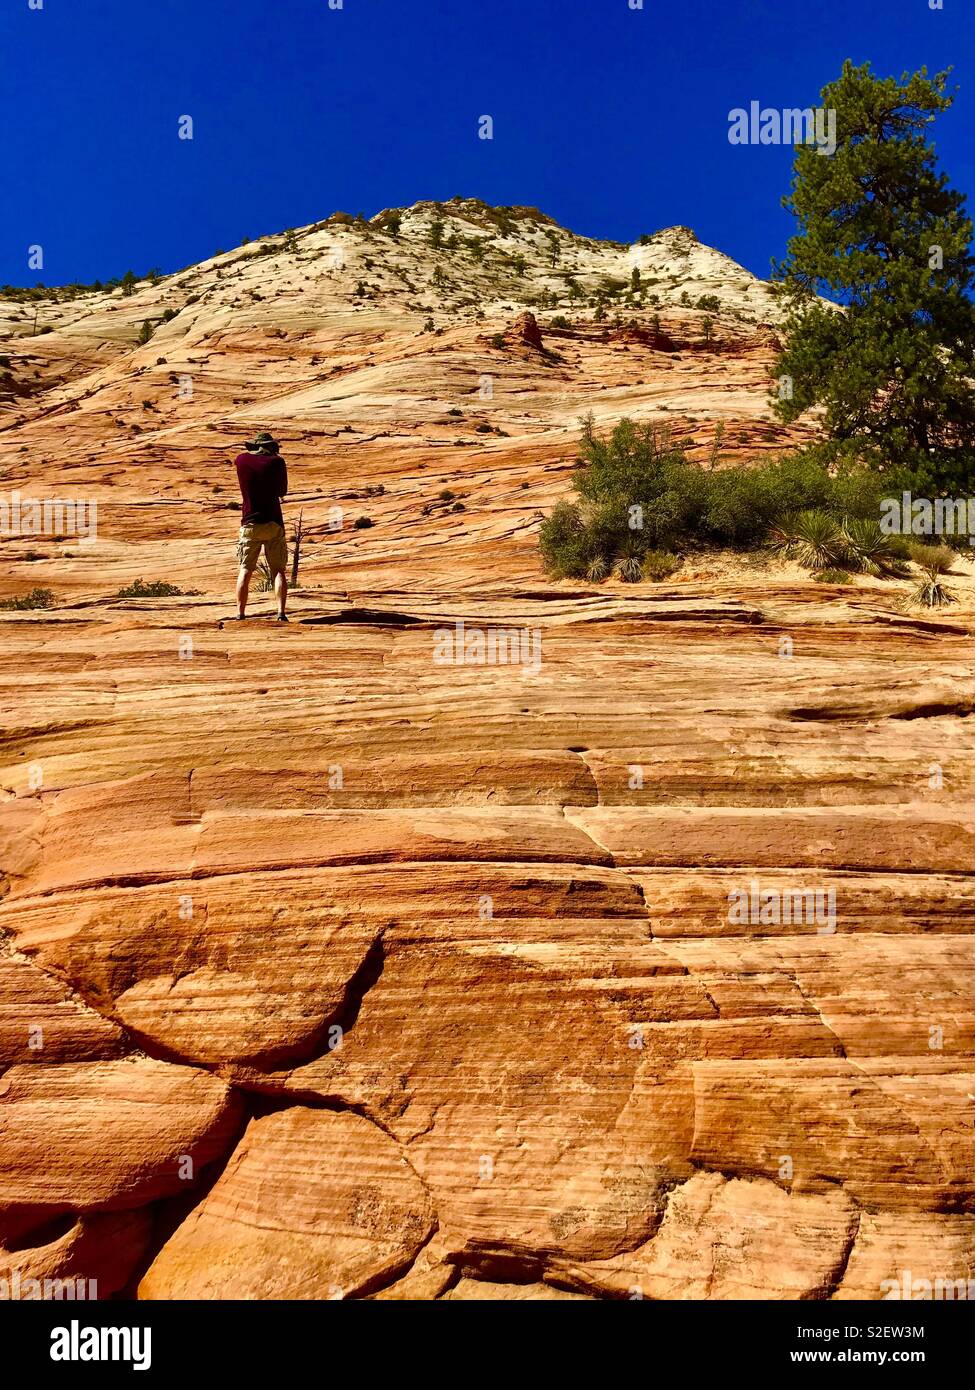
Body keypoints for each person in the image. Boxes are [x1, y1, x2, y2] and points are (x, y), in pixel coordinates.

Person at [233, 432, 289, 621]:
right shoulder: (277, 462)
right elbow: (282, 492)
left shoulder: (241, 460)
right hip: (273, 522)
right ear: (270, 447)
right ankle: (281, 613)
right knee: (278, 570)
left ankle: (240, 613)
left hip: (250, 522)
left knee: (245, 569)